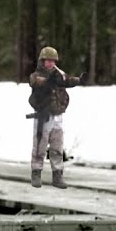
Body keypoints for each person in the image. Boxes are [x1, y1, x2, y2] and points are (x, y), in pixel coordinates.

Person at [27, 46, 85, 188]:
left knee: (57, 146)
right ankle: (36, 172)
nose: (51, 64)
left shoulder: (59, 74)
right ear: (42, 61)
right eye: (48, 61)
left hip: (58, 115)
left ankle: (57, 175)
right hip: (43, 115)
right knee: (40, 146)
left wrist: (78, 80)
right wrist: (48, 81)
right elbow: (35, 82)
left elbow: (68, 81)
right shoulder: (36, 75)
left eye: (53, 61)